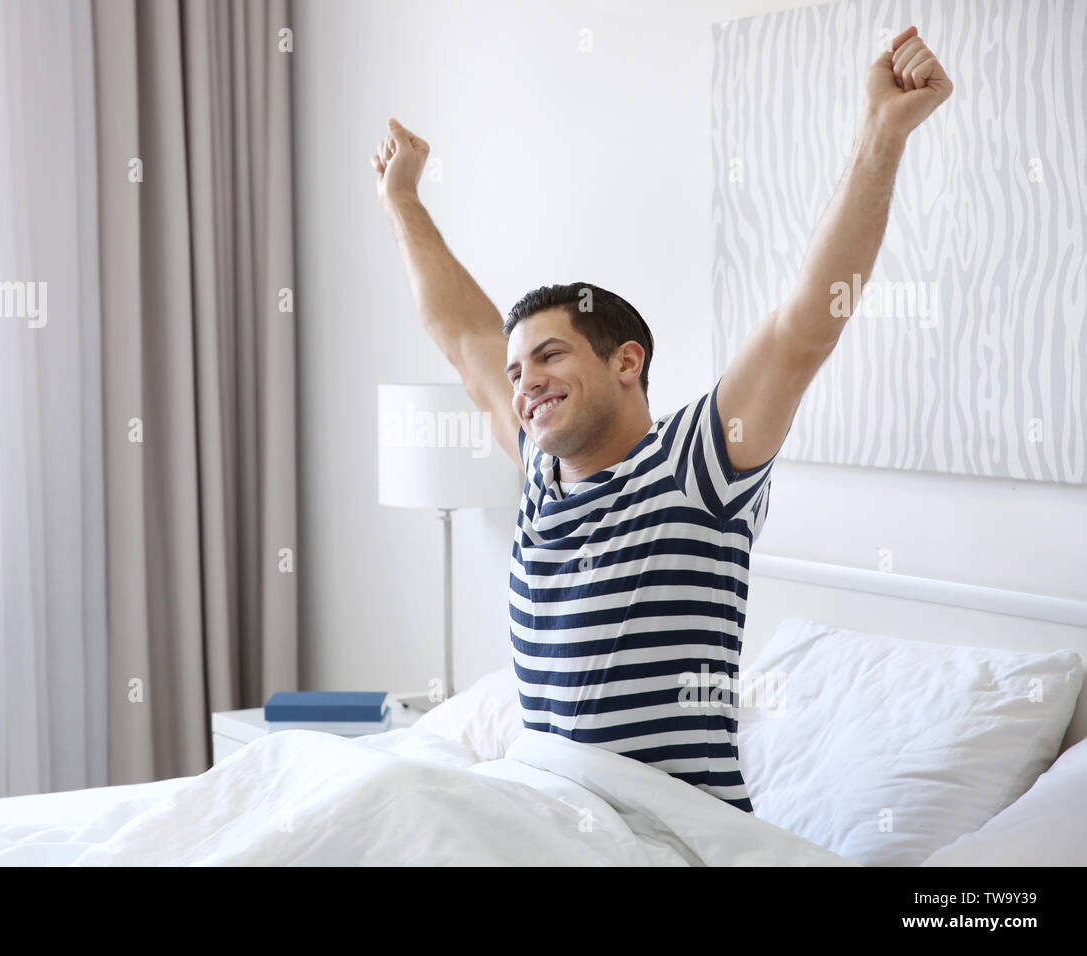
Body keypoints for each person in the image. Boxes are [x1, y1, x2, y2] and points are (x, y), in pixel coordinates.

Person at [370, 27, 952, 812]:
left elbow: (801, 330)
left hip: (663, 836)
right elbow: (461, 334)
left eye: (549, 356)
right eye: (517, 372)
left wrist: (881, 134)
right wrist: (402, 201)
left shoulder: (695, 466)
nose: (525, 383)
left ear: (626, 362)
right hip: (538, 821)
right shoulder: (543, 476)